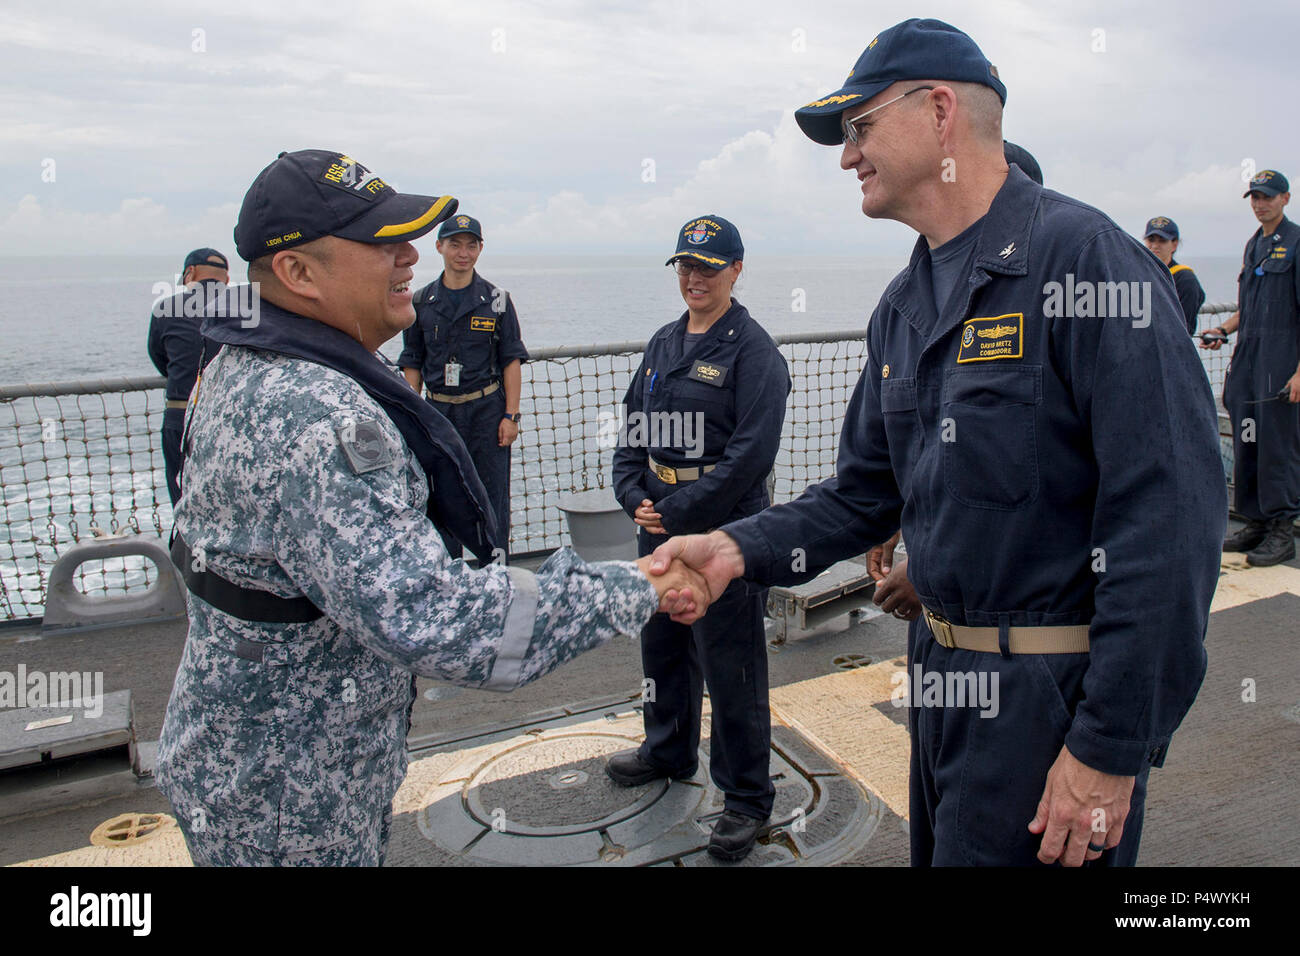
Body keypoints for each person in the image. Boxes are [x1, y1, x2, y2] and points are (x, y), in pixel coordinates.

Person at [649, 19, 1225, 867]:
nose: (847, 157)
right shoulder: (905, 301)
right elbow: (860, 493)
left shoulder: (1087, 265)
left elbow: (1169, 524)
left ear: (941, 111)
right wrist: (734, 548)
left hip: (1048, 703)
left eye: (859, 128)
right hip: (942, 682)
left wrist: (1109, 750)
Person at [155, 149, 707, 866]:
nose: (409, 256)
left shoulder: (241, 359)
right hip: (290, 801)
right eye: (382, 244)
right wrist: (645, 586)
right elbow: (440, 621)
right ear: (296, 272)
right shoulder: (317, 418)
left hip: (252, 762)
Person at [606, 215, 790, 862]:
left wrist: (678, 507)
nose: (693, 278)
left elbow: (750, 457)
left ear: (736, 270)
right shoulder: (662, 344)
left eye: (707, 268)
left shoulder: (755, 353)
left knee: (732, 664)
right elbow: (630, 431)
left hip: (724, 528)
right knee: (661, 645)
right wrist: (633, 496)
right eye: (685, 266)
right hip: (656, 520)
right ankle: (668, 748)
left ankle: (745, 798)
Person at [398, 215, 526, 561]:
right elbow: (412, 362)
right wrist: (414, 417)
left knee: (492, 497)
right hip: (438, 412)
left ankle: (497, 575)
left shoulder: (497, 300)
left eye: (471, 245)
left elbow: (510, 360)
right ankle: (445, 575)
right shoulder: (421, 301)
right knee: (439, 495)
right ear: (439, 247)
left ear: (480, 250)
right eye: (455, 243)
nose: (463, 252)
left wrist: (510, 416)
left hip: (487, 412)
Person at [1202, 170, 1300, 566]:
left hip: (1281, 360)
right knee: (1249, 441)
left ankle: (1282, 530)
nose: (1261, 204)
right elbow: (1251, 306)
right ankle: (1256, 521)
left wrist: (1299, 372)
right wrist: (1223, 329)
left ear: (1285, 199)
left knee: (1278, 446)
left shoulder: (1296, 243)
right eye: (1256, 197)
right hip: (1249, 358)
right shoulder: (1254, 244)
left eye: (1268, 197)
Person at [147, 248, 227, 504]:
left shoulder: (165, 308)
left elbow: (160, 359)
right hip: (232, 414)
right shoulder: (249, 308)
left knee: (184, 497)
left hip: (182, 414)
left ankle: (186, 543)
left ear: (189, 273)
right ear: (225, 278)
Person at [1143, 217, 1206, 335]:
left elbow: (1185, 327)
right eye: (1151, 240)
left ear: (1174, 244)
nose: (1155, 245)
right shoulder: (1140, 275)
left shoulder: (1185, 279)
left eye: (1162, 240)